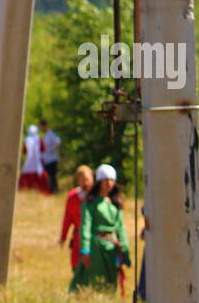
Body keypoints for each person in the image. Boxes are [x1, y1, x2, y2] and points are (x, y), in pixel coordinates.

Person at [69, 164, 130, 292]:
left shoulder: (116, 203)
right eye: (106, 180)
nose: (109, 183)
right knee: (95, 278)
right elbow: (85, 226)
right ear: (99, 182)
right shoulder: (90, 202)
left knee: (111, 279)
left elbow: (121, 228)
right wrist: (85, 249)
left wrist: (125, 249)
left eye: (112, 180)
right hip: (96, 246)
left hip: (112, 246)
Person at [58, 164, 94, 271]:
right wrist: (63, 237)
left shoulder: (97, 196)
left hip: (95, 235)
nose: (85, 183)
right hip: (79, 236)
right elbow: (67, 219)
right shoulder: (73, 197)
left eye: (87, 179)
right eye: (82, 180)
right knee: (77, 264)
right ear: (78, 180)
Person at [18, 124, 49, 193]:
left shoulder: (27, 140)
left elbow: (24, 151)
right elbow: (43, 149)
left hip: (29, 162)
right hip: (37, 162)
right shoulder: (39, 140)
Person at [39, 119, 61, 194]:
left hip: (52, 159)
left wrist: (51, 150)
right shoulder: (46, 135)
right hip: (48, 159)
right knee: (50, 175)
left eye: (42, 127)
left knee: (52, 175)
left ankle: (54, 190)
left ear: (45, 126)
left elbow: (58, 142)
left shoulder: (51, 134)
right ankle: (52, 189)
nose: (41, 128)